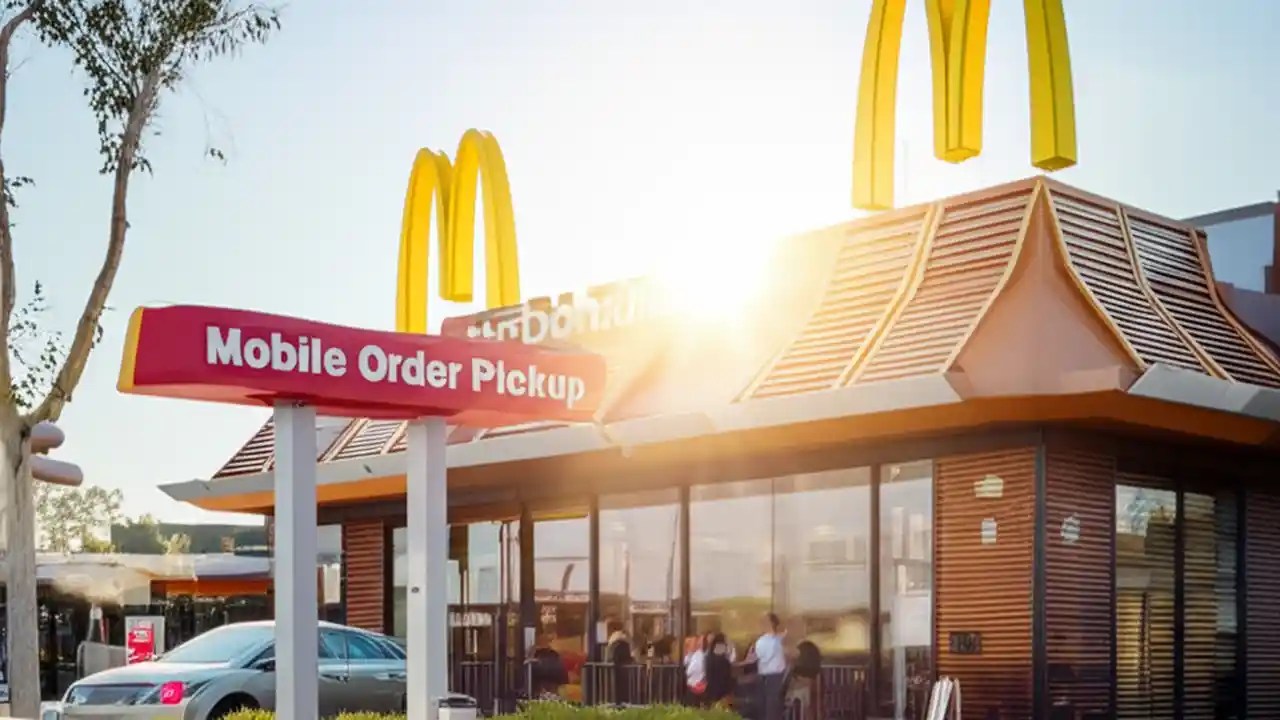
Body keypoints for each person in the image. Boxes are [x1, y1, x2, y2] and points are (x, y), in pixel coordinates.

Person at [748, 613, 787, 720]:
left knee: (772, 706)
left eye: (764, 621)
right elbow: (762, 658)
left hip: (773, 677)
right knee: (770, 706)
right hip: (771, 677)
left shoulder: (769, 640)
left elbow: (759, 657)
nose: (762, 624)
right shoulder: (768, 640)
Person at [529, 633, 568, 698]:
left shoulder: (532, 661)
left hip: (540, 694)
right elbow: (564, 680)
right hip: (555, 694)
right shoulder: (556, 658)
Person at [705, 633, 735, 709]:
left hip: (712, 689)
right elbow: (726, 674)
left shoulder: (709, 657)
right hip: (722, 690)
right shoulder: (722, 660)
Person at [605, 628, 633, 705]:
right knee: (622, 688)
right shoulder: (623, 642)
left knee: (614, 687)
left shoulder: (613, 641)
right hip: (621, 670)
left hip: (613, 667)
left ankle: (615, 702)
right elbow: (627, 658)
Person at [685, 634, 709, 704]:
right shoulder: (693, 655)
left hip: (695, 685)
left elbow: (691, 670)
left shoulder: (698, 656)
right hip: (694, 685)